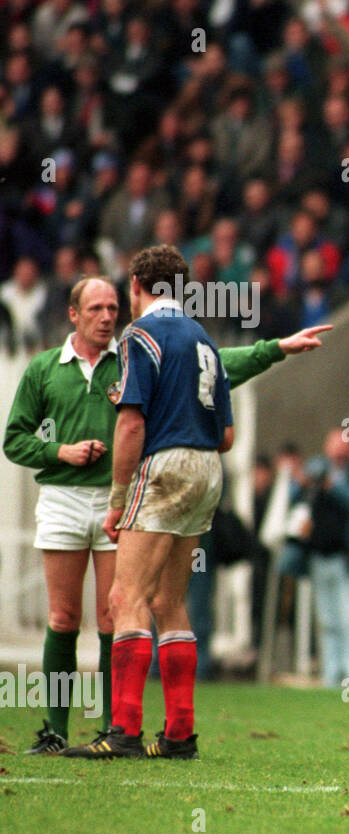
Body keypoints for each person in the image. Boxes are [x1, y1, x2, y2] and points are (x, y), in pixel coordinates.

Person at [4, 273, 331, 754]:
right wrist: (61, 453)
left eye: (113, 307)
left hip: (127, 494)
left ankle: (117, 726)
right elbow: (15, 439)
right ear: (72, 314)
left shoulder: (134, 356)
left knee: (117, 609)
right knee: (64, 616)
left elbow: (221, 366)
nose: (107, 316)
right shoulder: (44, 370)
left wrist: (274, 349)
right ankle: (55, 726)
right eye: (95, 308)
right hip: (65, 498)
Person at [63, 245, 232, 760]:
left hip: (166, 465)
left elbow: (131, 423)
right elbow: (226, 434)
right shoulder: (204, 337)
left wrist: (118, 499)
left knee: (125, 598)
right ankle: (180, 733)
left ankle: (124, 732)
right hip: (208, 468)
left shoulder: (140, 335)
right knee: (169, 601)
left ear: (137, 283)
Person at [299, 427, 349, 690]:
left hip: (348, 559)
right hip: (320, 557)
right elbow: (299, 489)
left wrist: (336, 487)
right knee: (327, 621)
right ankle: (331, 679)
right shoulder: (318, 470)